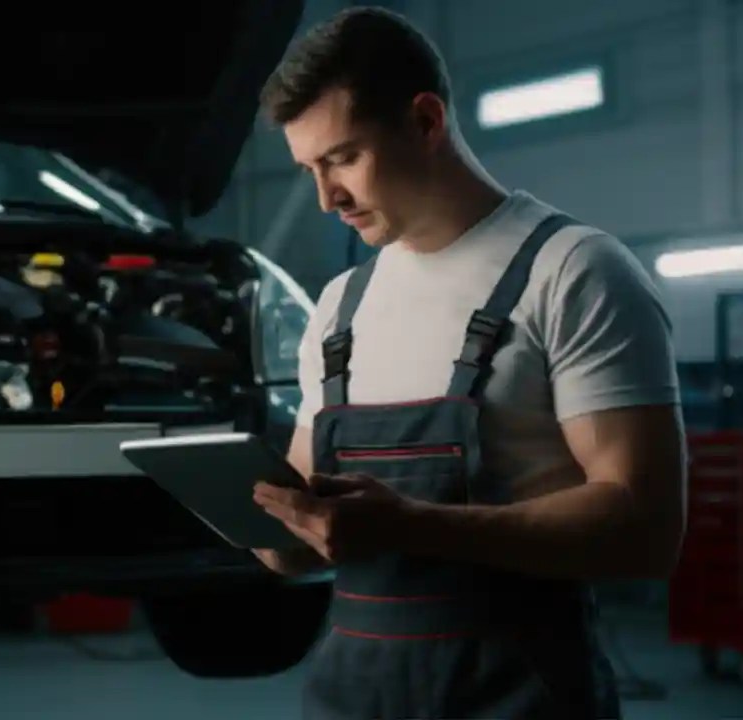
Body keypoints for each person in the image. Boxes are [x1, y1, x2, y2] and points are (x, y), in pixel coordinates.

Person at [248, 7, 687, 719]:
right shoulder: (337, 309)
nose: (327, 198)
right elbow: (299, 545)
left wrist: (411, 525)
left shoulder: (572, 271)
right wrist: (262, 521)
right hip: (351, 699)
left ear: (426, 122)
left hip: (519, 700)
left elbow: (645, 528)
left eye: (343, 158)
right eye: (309, 170)